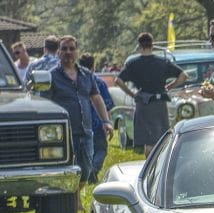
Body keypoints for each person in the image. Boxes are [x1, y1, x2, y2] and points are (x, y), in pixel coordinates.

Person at [41, 35, 112, 186]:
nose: (68, 52)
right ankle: (74, 200)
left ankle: (76, 195)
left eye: (72, 49)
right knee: (66, 168)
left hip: (86, 131)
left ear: (77, 52)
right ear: (58, 52)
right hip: (63, 133)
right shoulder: (51, 76)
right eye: (64, 49)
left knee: (86, 170)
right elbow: (45, 104)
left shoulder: (87, 75)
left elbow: (96, 98)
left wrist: (106, 121)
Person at [115, 32, 187, 153]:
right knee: (162, 138)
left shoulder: (133, 63)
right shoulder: (162, 62)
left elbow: (118, 80)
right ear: (152, 44)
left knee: (148, 141)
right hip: (160, 103)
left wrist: (132, 94)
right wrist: (170, 86)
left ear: (139, 45)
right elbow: (183, 75)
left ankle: (150, 168)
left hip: (143, 103)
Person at [78, 53, 114, 181]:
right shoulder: (99, 82)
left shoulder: (75, 80)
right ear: (93, 66)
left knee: (84, 152)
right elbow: (107, 104)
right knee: (101, 150)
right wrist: (107, 122)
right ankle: (93, 169)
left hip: (81, 123)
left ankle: (87, 171)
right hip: (98, 123)